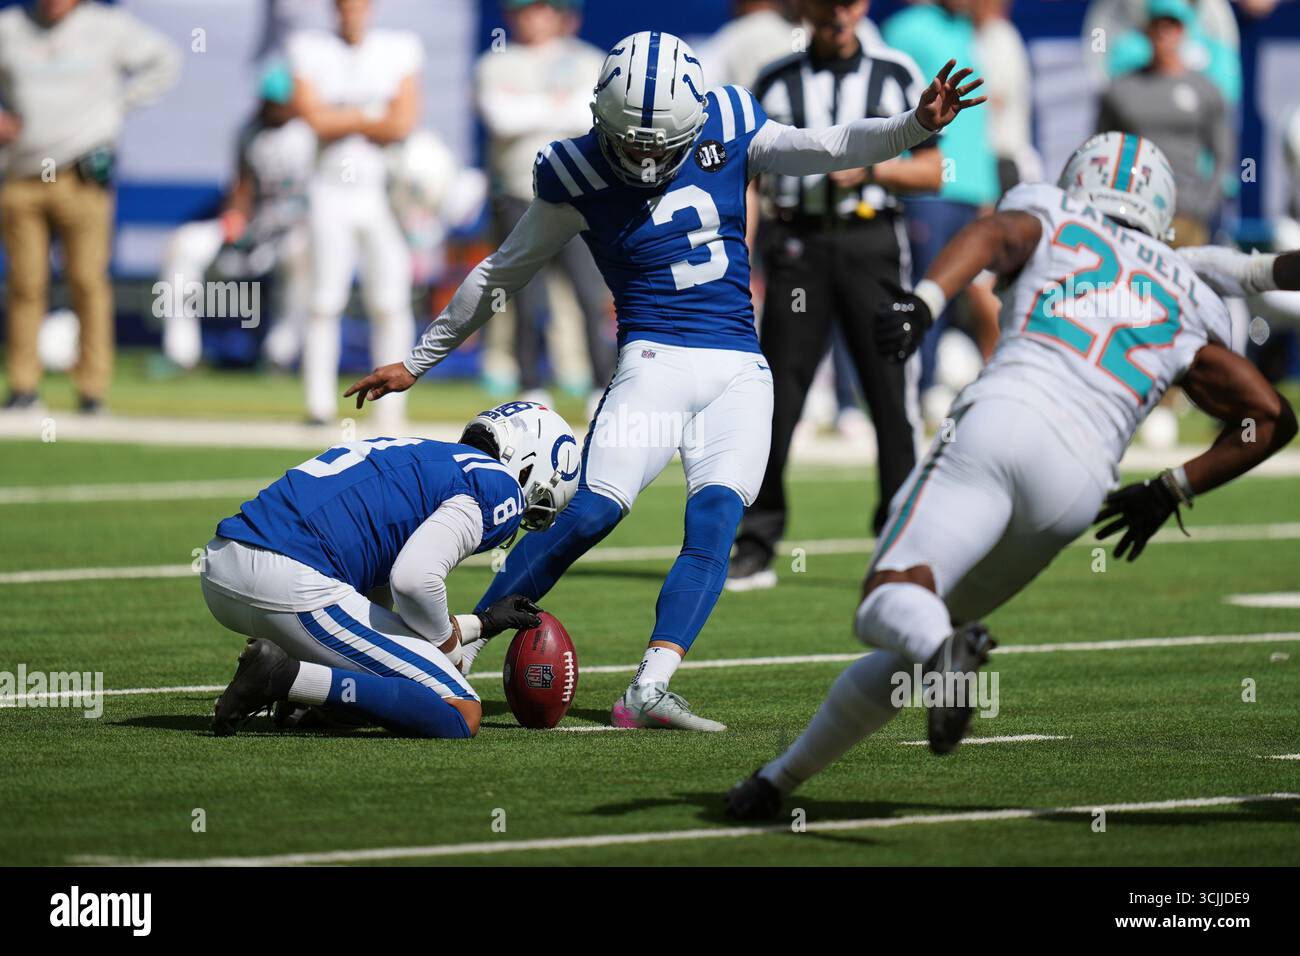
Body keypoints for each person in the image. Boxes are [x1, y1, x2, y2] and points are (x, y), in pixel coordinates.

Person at [345, 31, 985, 731]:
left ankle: (649, 688)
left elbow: (831, 148)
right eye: (634, 145)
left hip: (741, 367)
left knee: (714, 526)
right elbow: (502, 271)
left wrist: (915, 126)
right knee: (591, 510)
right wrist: (421, 358)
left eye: (662, 147)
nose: (648, 160)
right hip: (655, 357)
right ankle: (457, 648)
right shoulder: (575, 172)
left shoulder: (732, 122)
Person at [725, 132, 1297, 817]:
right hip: (1078, 485)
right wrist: (1172, 486)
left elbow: (995, 234)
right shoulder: (1182, 285)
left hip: (1003, 422)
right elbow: (1268, 414)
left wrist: (927, 302)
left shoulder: (1052, 212)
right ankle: (776, 783)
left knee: (891, 601)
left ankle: (943, 652)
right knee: (929, 631)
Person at [203, 401, 581, 739]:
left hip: (225, 565)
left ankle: (315, 697)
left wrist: (480, 623)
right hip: (290, 575)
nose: (525, 513)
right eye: (536, 504)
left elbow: (377, 601)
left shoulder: (420, 455)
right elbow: (414, 581)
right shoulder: (497, 486)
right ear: (530, 465)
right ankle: (287, 678)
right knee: (461, 712)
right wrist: (449, 653)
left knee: (379, 681)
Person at [727, 0, 942, 591]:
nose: (837, 15)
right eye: (824, 5)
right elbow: (747, 175)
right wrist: (738, 257)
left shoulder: (895, 71)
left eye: (847, 3)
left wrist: (871, 171)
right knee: (779, 397)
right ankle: (757, 540)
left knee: (890, 392)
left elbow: (932, 172)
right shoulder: (774, 78)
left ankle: (899, 543)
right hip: (797, 246)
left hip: (872, 242)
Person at [0, 0, 180, 414]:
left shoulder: (108, 26)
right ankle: (23, 387)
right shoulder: (10, 27)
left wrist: (114, 109)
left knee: (87, 281)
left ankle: (92, 390)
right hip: (24, 173)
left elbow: (165, 60)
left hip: (82, 176)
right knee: (25, 284)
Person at [288, 0, 422, 428]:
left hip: (380, 191)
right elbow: (312, 118)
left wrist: (341, 116)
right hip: (329, 189)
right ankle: (318, 405)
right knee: (324, 299)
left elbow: (402, 122)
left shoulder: (400, 47)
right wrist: (370, 114)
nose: (352, 11)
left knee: (390, 300)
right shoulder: (308, 47)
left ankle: (391, 408)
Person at [476, 0, 613, 406]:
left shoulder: (589, 61)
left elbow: (594, 118)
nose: (532, 18)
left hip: (580, 197)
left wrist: (532, 109)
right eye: (524, 10)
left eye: (541, 9)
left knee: (591, 295)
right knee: (524, 298)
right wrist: (557, 106)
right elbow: (501, 118)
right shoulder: (496, 63)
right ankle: (530, 386)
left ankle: (601, 385)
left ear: (559, 14)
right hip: (519, 196)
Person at [157, 64, 316, 374]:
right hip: (255, 231)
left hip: (295, 231)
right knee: (183, 246)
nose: (271, 108)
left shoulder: (311, 134)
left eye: (277, 101)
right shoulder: (249, 131)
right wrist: (234, 215)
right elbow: (241, 185)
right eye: (267, 101)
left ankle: (279, 354)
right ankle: (181, 353)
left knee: (301, 255)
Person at [1096, 0, 1234, 247]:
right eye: (1157, 25)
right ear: (1146, 30)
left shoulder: (1205, 90)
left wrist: (1203, 204)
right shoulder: (1120, 90)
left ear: (1183, 31)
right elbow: (1100, 147)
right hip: (1130, 215)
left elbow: (1223, 153)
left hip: (1185, 216)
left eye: (1171, 25)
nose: (1164, 33)